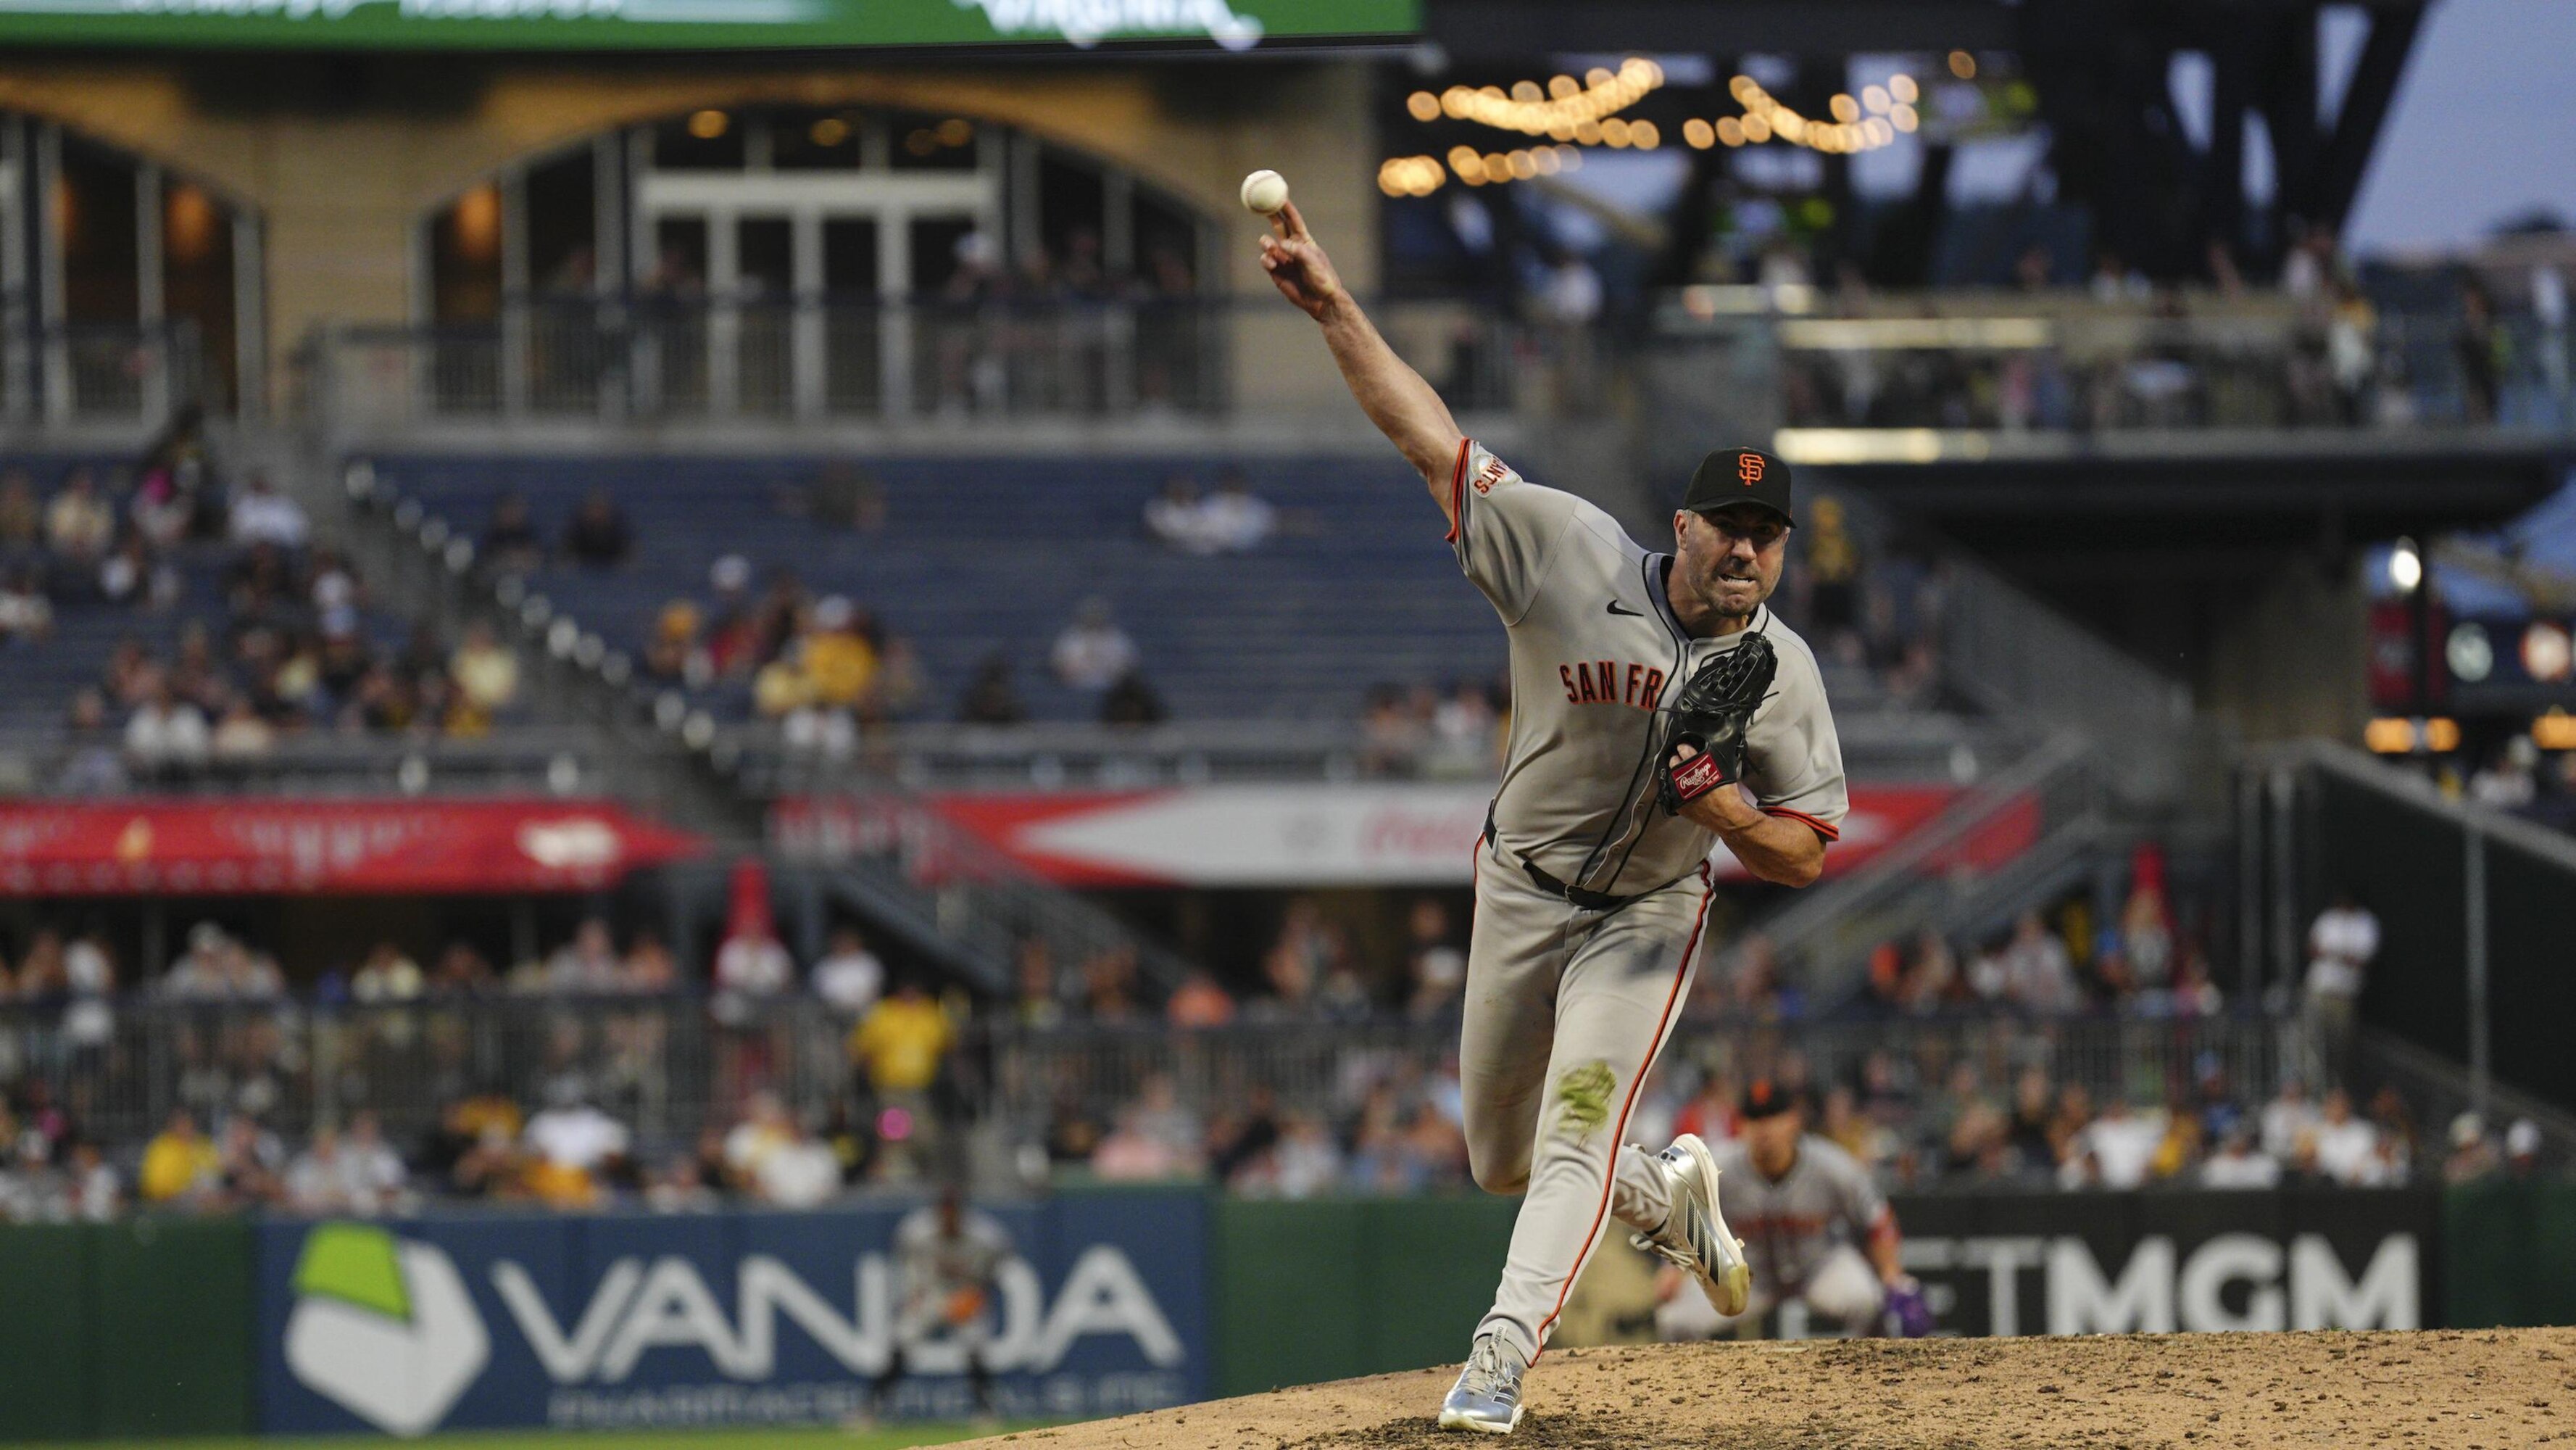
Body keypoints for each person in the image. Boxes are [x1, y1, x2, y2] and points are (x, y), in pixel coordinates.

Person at [1259, 197, 1846, 1433]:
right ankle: (1671, 1196)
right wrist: (1331, 308)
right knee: (1500, 1156)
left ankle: (1495, 1360)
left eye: (1766, 535)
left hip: (1645, 915)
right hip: (1520, 889)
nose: (1744, 549)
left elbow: (1802, 853)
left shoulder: (1783, 672)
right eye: (1726, 526)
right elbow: (1430, 442)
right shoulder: (1567, 552)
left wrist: (1724, 805)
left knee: (1574, 1127)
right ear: (1678, 525)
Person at [1667, 1082, 1926, 1341]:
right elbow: (1683, 1217)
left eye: (1773, 1118)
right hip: (1748, 1273)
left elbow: (1877, 1219)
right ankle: (1698, 1382)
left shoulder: (1831, 1164)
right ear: (1742, 1126)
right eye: (1754, 1120)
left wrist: (1892, 1274)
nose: (1764, 1129)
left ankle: (1865, 1377)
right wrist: (1674, 1269)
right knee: (1676, 1320)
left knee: (1867, 1303)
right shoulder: (1717, 1167)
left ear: (1793, 1121)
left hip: (1819, 1267)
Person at [872, 1185, 1013, 1425]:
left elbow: (1002, 1263)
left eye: (953, 1216)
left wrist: (980, 1292)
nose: (948, 1221)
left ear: (962, 1215)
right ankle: (871, 1409)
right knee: (902, 1340)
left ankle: (986, 1412)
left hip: (965, 1293)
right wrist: (913, 1291)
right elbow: (904, 1259)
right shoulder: (917, 1229)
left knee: (975, 1348)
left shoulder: (985, 1235)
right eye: (944, 1215)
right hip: (931, 1292)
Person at [2303, 890, 2378, 1089]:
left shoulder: (2365, 922)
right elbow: (2313, 949)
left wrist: (2333, 954)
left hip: (2344, 995)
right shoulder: (2328, 918)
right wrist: (2341, 956)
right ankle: (2314, 1086)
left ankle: (2341, 1089)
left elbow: (2361, 960)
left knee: (2341, 1047)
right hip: (2319, 989)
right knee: (2312, 1042)